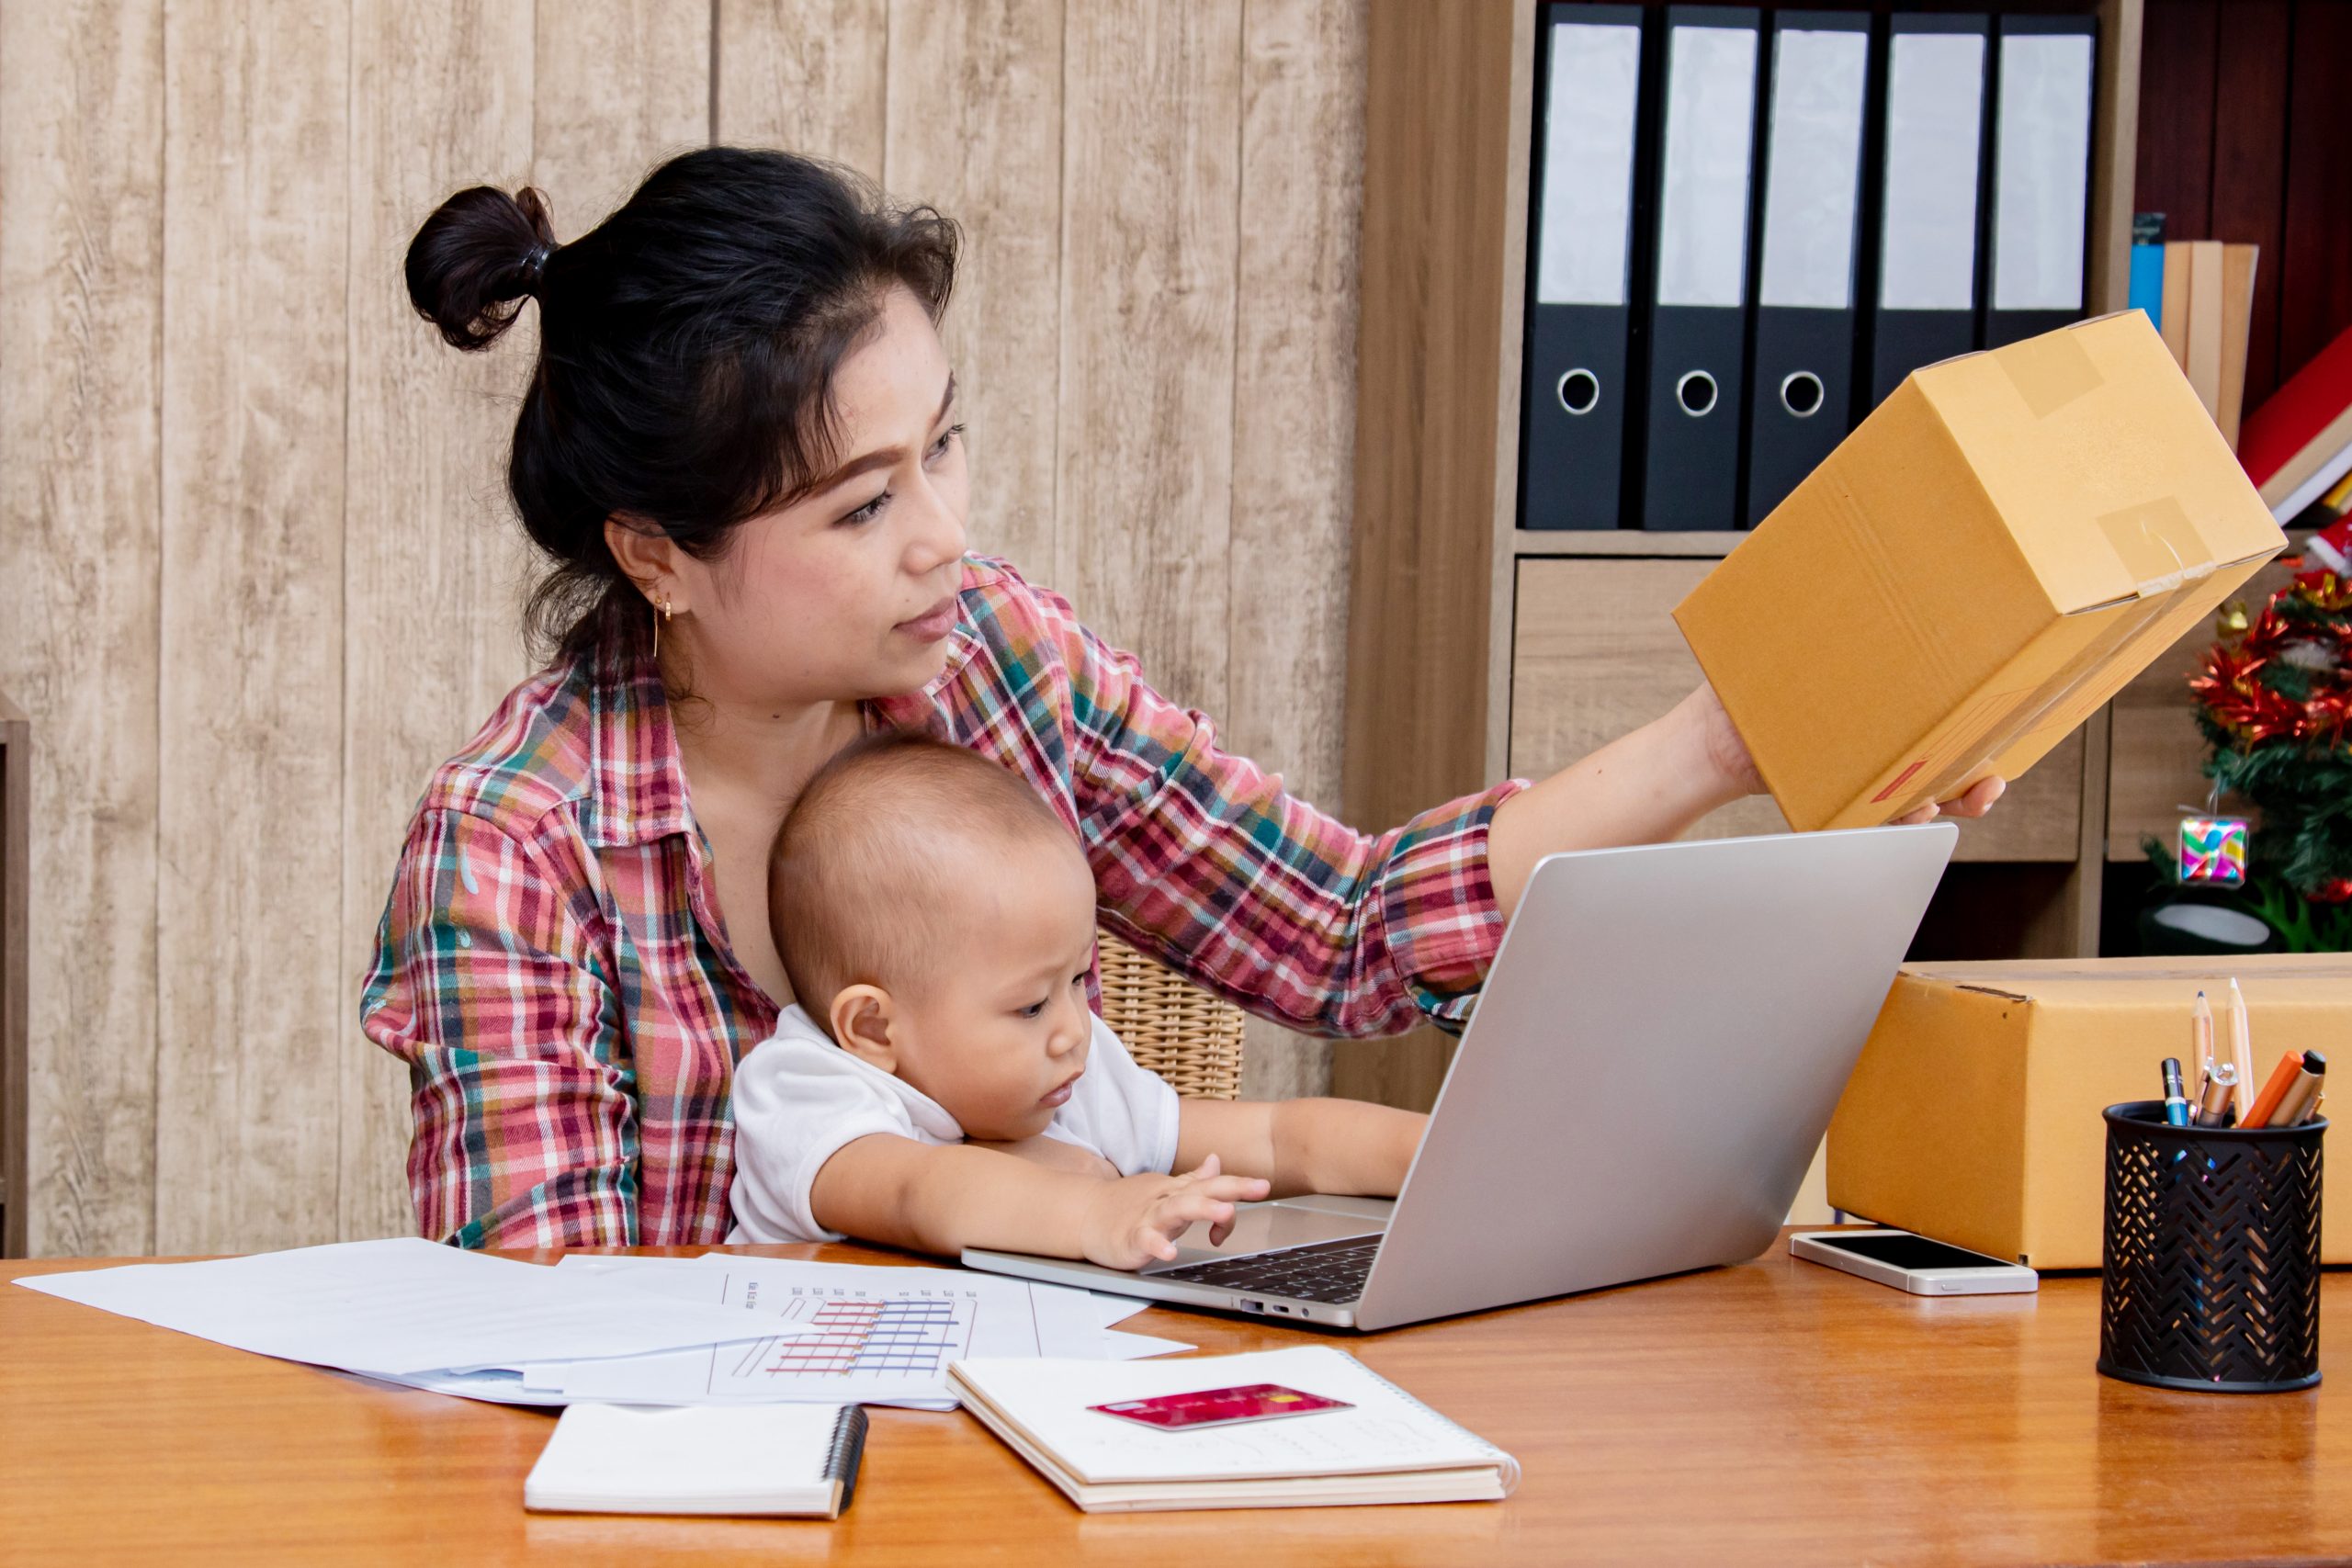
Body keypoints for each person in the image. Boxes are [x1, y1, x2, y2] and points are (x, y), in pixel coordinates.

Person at [362, 146, 2001, 1249]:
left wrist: (1736, 743)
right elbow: (530, 1351)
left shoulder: (998, 661)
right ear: (655, 552)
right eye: (861, 507)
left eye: (940, 448)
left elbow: (1341, 926)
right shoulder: (514, 849)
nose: (946, 538)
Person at [728, 730, 1428, 1265]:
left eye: (1077, 981)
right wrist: (1095, 1211)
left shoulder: (1065, 1079)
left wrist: (1425, 1154)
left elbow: (1274, 1139)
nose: (1074, 1031)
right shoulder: (809, 1088)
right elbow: (925, 1193)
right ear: (875, 1027)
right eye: (1031, 1006)